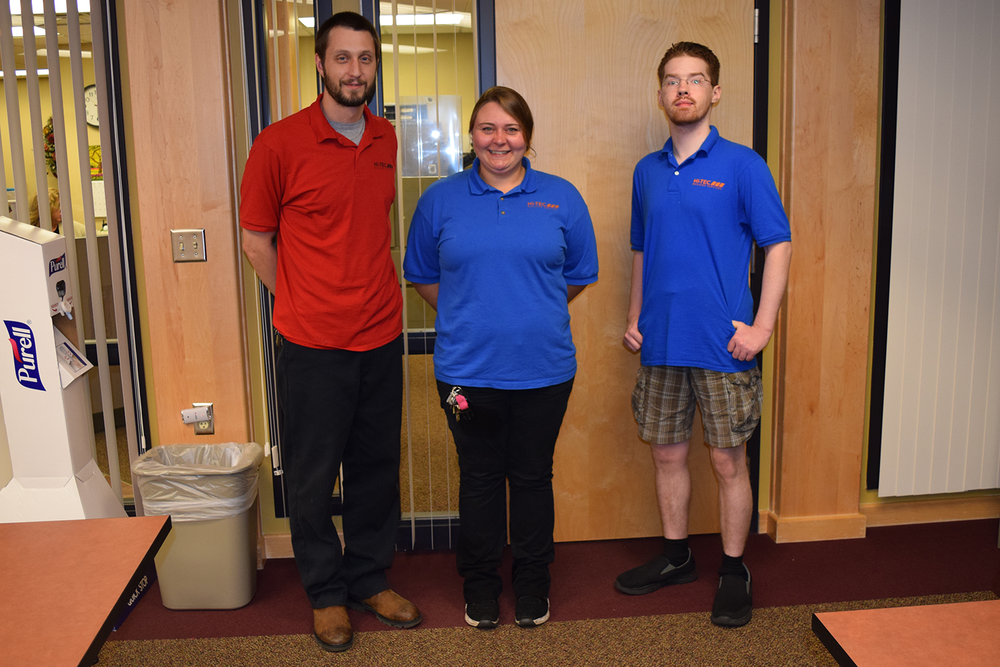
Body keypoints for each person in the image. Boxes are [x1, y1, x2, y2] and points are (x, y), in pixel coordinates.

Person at [238, 12, 421, 653]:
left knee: (376, 467)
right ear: (319, 64)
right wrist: (298, 299)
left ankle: (369, 578)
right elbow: (256, 240)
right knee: (313, 476)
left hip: (380, 334)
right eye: (342, 58)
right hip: (312, 343)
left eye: (365, 58)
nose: (354, 70)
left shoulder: (385, 137)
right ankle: (325, 593)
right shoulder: (278, 143)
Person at [404, 86, 598, 630]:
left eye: (511, 129)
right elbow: (423, 275)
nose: (499, 140)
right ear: (472, 136)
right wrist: (470, 311)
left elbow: (578, 275)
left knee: (533, 476)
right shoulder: (440, 200)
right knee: (480, 477)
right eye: (488, 128)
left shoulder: (561, 197)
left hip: (544, 370)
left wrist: (530, 308)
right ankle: (481, 583)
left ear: (527, 137)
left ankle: (533, 583)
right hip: (465, 374)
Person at [616, 42, 792, 628]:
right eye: (672, 80)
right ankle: (677, 557)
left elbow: (778, 244)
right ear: (660, 93)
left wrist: (763, 327)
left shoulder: (743, 165)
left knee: (727, 461)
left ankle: (734, 570)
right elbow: (641, 250)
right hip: (662, 341)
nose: (683, 89)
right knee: (666, 453)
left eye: (695, 80)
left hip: (724, 343)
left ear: (715, 92)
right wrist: (635, 317)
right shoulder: (646, 170)